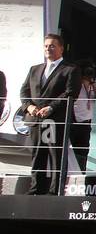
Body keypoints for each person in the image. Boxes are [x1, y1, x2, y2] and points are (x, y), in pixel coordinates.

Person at [20, 34, 79, 193]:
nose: (48, 49)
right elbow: (24, 91)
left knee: (55, 156)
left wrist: (51, 107)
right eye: (46, 46)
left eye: (52, 46)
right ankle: (35, 189)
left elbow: (71, 93)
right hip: (35, 120)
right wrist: (29, 107)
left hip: (54, 120)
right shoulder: (35, 69)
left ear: (61, 48)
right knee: (37, 155)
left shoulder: (70, 69)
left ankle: (54, 191)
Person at [69, 64, 96, 174]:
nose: (87, 76)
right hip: (74, 121)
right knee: (71, 150)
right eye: (86, 73)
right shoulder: (76, 85)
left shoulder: (92, 87)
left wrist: (92, 83)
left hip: (86, 123)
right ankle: (70, 171)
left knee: (83, 150)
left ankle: (81, 172)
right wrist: (79, 81)